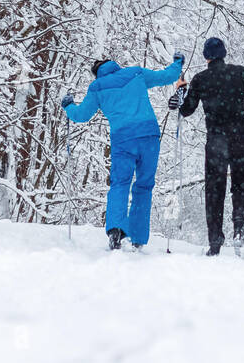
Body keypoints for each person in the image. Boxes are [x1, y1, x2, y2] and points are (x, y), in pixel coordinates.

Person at [61, 52, 184, 251]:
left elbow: (81, 115)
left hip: (123, 140)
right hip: (149, 136)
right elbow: (166, 76)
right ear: (114, 65)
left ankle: (116, 230)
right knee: (144, 186)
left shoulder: (97, 87)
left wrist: (68, 106)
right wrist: (178, 63)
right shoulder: (135, 73)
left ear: (97, 74)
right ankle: (137, 238)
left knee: (120, 184)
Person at [170, 37, 244, 255]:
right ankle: (239, 226)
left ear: (206, 57)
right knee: (241, 184)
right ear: (224, 53)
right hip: (241, 138)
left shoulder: (200, 79)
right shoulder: (239, 73)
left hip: (216, 142)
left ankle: (215, 240)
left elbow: (185, 110)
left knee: (214, 190)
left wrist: (181, 89)